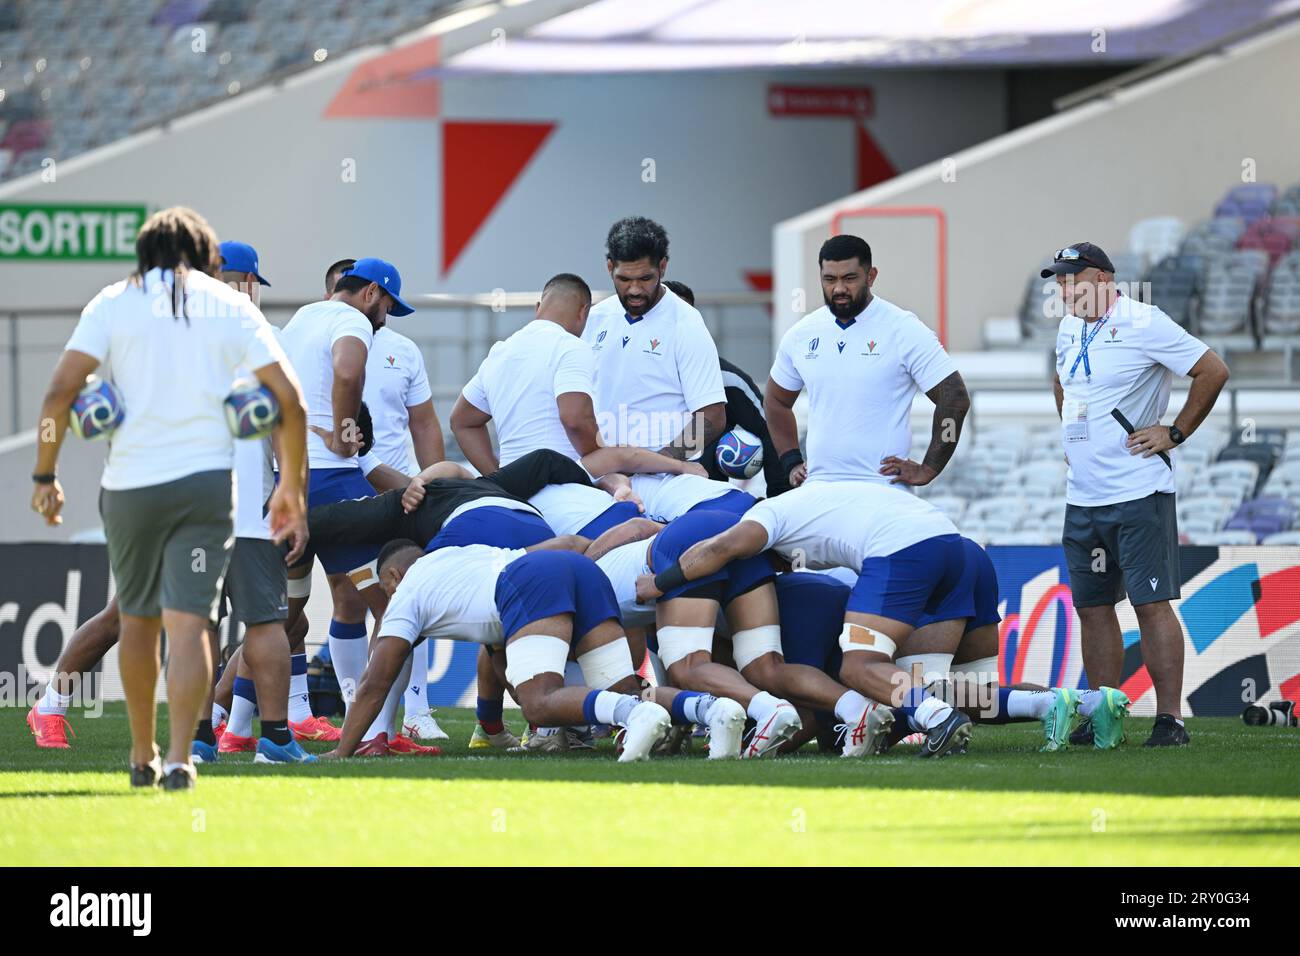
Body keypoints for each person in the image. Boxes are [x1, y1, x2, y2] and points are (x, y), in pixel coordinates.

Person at [29, 207, 308, 790]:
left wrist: (45, 476)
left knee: (136, 620)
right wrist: (291, 490)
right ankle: (181, 756)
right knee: (189, 624)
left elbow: (59, 392)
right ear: (207, 255)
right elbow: (291, 402)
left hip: (130, 488)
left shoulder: (111, 302)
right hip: (206, 490)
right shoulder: (231, 306)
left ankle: (142, 753)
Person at [635, 480, 976, 758]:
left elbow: (719, 549)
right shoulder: (809, 504)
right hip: (949, 540)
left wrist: (660, 582)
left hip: (901, 546)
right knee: (912, 671)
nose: (777, 571)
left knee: (860, 666)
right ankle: (996, 706)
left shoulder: (765, 516)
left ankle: (938, 715)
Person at [322, 541, 750, 762]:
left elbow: (376, 680)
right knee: (625, 691)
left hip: (528, 580)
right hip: (575, 568)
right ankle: (710, 710)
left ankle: (637, 716)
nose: (386, 598)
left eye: (385, 588)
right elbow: (500, 651)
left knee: (542, 704)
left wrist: (342, 750)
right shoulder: (454, 558)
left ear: (394, 575)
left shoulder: (406, 592)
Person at [1046, 241, 1230, 747]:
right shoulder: (1067, 327)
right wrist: (1070, 434)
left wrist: (1174, 432)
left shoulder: (1144, 320)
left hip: (1137, 490)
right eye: (1059, 280)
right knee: (1093, 607)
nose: (1064, 288)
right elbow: (1063, 383)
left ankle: (1170, 719)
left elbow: (1212, 370)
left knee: (1151, 604)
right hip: (1082, 496)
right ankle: (1104, 715)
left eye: (1072, 278)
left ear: (1104, 278)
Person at [278, 256, 414, 714]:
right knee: (396, 608)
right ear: (371, 293)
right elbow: (349, 371)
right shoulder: (351, 321)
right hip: (334, 486)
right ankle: (377, 730)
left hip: (287, 483)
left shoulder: (299, 320)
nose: (384, 321)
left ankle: (230, 721)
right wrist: (342, 430)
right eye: (387, 308)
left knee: (280, 617)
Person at [324, 257, 448, 743]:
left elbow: (423, 421)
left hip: (402, 496)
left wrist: (435, 483)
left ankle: (410, 712)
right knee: (348, 600)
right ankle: (359, 714)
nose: (386, 314)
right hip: (345, 488)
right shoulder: (321, 342)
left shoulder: (402, 350)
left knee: (401, 600)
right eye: (387, 304)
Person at [765, 234, 970, 490]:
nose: (839, 288)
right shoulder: (802, 333)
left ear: (871, 276)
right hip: (819, 487)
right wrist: (791, 460)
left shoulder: (904, 328)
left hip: (882, 488)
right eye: (829, 279)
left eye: (849, 278)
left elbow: (955, 399)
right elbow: (775, 401)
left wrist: (929, 467)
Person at [582, 217, 726, 459]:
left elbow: (712, 415)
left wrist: (662, 462)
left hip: (665, 478)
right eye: (624, 279)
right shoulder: (593, 318)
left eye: (645, 278)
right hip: (601, 475)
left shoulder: (686, 322)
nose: (635, 289)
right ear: (609, 268)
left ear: (662, 267)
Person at [662, 279, 790, 496]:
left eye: (682, 319)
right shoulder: (621, 374)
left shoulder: (728, 380)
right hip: (633, 494)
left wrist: (778, 498)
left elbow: (771, 431)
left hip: (703, 501)